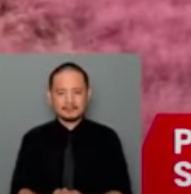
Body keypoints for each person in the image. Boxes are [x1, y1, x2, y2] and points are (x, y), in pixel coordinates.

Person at [9, 62, 133, 194]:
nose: (69, 100)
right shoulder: (33, 139)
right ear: (50, 97)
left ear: (88, 94)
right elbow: (21, 189)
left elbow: (120, 189)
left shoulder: (107, 138)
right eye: (61, 93)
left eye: (77, 92)